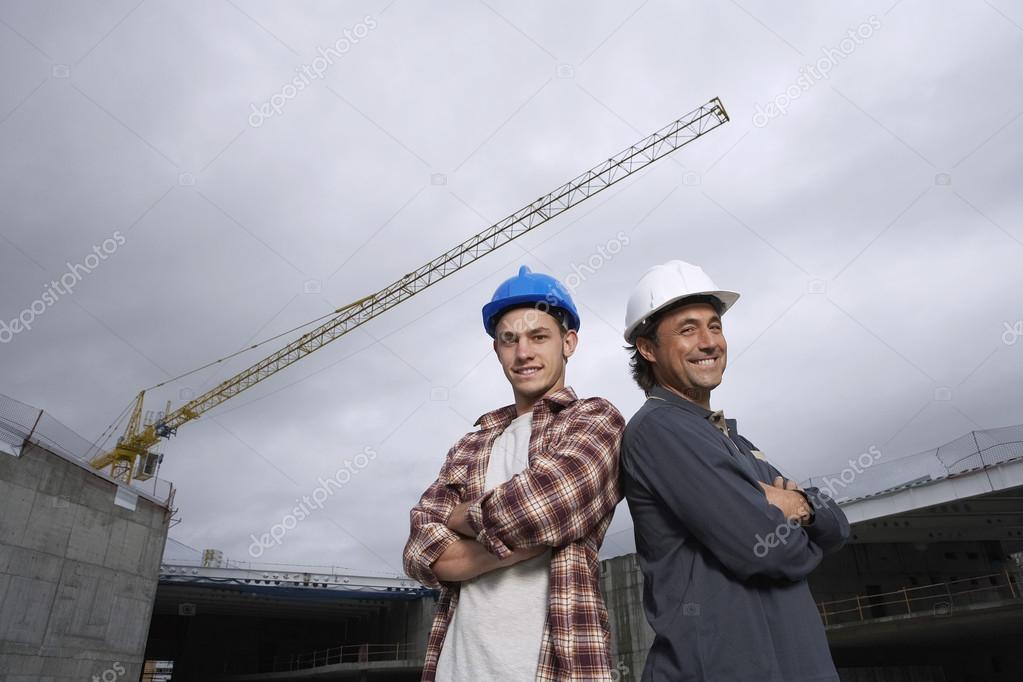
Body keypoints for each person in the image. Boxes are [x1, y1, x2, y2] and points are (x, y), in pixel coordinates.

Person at [619, 260, 850, 681]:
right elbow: (767, 547)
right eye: (688, 330)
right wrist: (783, 516)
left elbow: (837, 527)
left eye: (715, 326)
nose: (709, 342)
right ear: (648, 349)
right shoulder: (659, 429)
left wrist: (800, 506)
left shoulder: (736, 444)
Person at [402, 265, 625, 681]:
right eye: (510, 340)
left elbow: (546, 508)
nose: (524, 353)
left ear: (568, 342)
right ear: (498, 350)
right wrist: (523, 545)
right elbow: (417, 550)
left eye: (539, 337)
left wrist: (459, 522)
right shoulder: (470, 444)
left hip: (553, 669)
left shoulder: (593, 419)